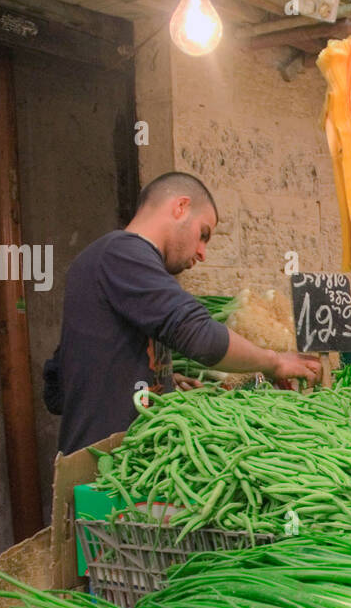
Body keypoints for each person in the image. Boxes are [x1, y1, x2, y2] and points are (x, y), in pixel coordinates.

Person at [44, 172, 321, 453]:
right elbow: (199, 336)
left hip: (125, 456)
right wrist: (273, 363)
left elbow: (59, 378)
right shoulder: (121, 253)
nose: (202, 253)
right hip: (105, 465)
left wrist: (160, 379)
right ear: (180, 208)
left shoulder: (116, 259)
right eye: (203, 235)